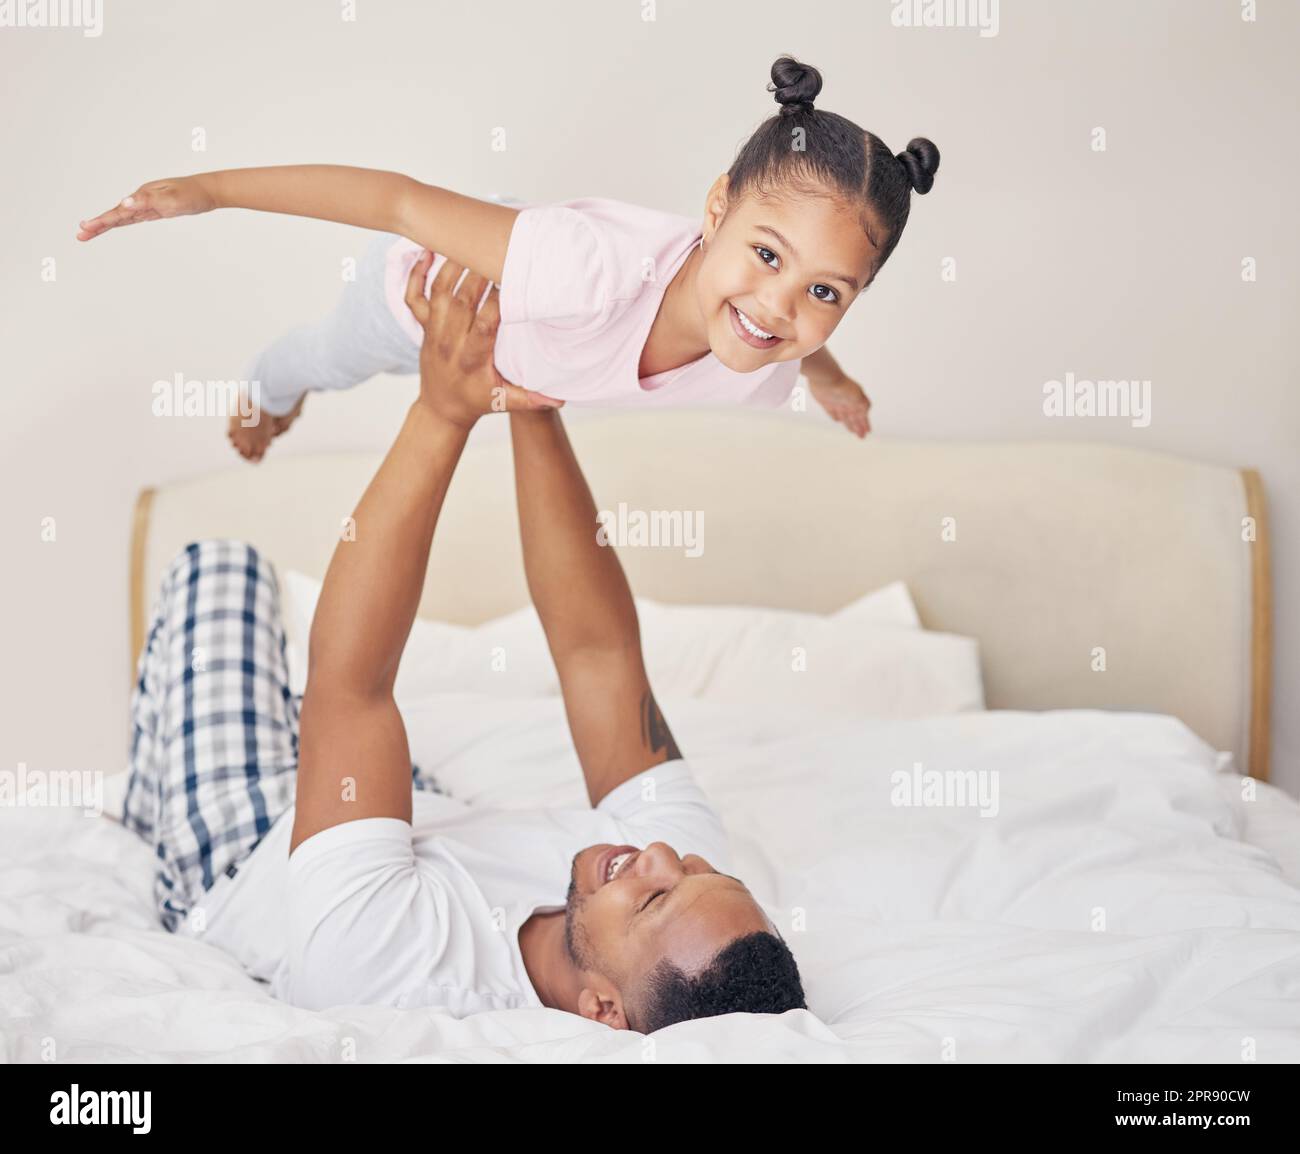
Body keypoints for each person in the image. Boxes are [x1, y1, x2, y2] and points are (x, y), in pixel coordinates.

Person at [120, 246, 808, 1031]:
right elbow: (598, 654)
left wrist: (443, 411)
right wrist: (531, 394)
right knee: (353, 733)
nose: (659, 855)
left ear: (603, 1011)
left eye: (653, 895)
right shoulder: (678, 879)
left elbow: (353, 686)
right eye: (694, 868)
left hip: (245, 850)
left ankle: (158, 838)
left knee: (220, 568)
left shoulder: (392, 967)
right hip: (408, 824)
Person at [77, 56, 939, 461]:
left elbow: (784, 318)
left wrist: (825, 377)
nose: (781, 305)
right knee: (324, 361)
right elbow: (398, 201)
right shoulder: (591, 267)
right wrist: (206, 190)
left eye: (825, 290)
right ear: (716, 207)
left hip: (533, 284)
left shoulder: (765, 353)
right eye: (764, 252)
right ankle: (270, 389)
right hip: (423, 287)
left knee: (750, 302)